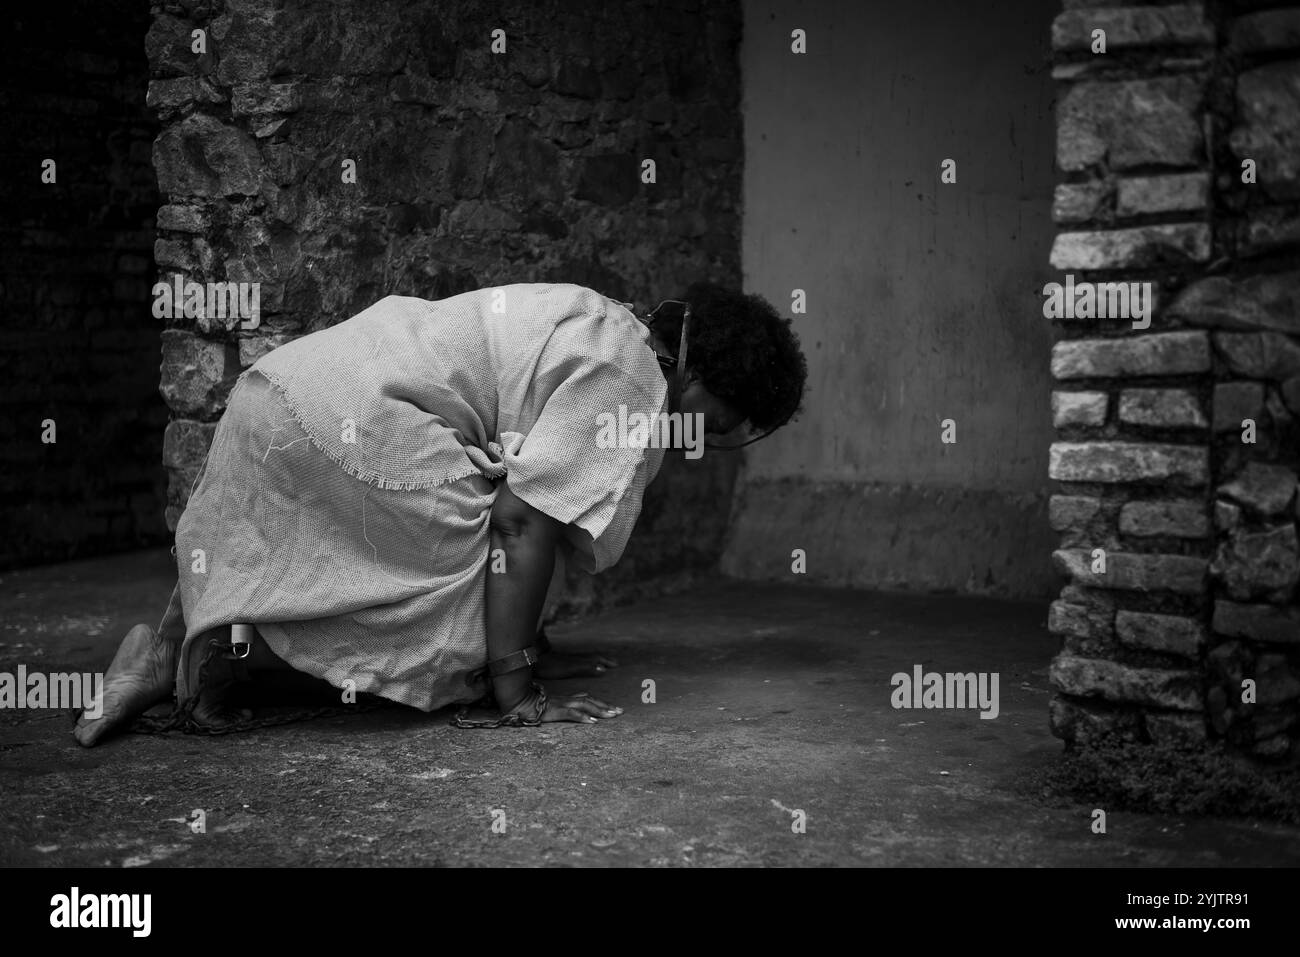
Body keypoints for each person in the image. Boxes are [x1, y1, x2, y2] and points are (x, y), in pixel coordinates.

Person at [74, 281, 807, 745]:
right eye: (728, 415)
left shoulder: (610, 325)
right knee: (463, 608)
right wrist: (518, 689)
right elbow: (523, 520)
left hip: (284, 394)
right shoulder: (630, 376)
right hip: (347, 419)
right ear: (707, 375)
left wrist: (536, 644)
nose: (719, 434)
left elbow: (538, 488)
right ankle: (207, 656)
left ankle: (186, 646)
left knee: (471, 571)